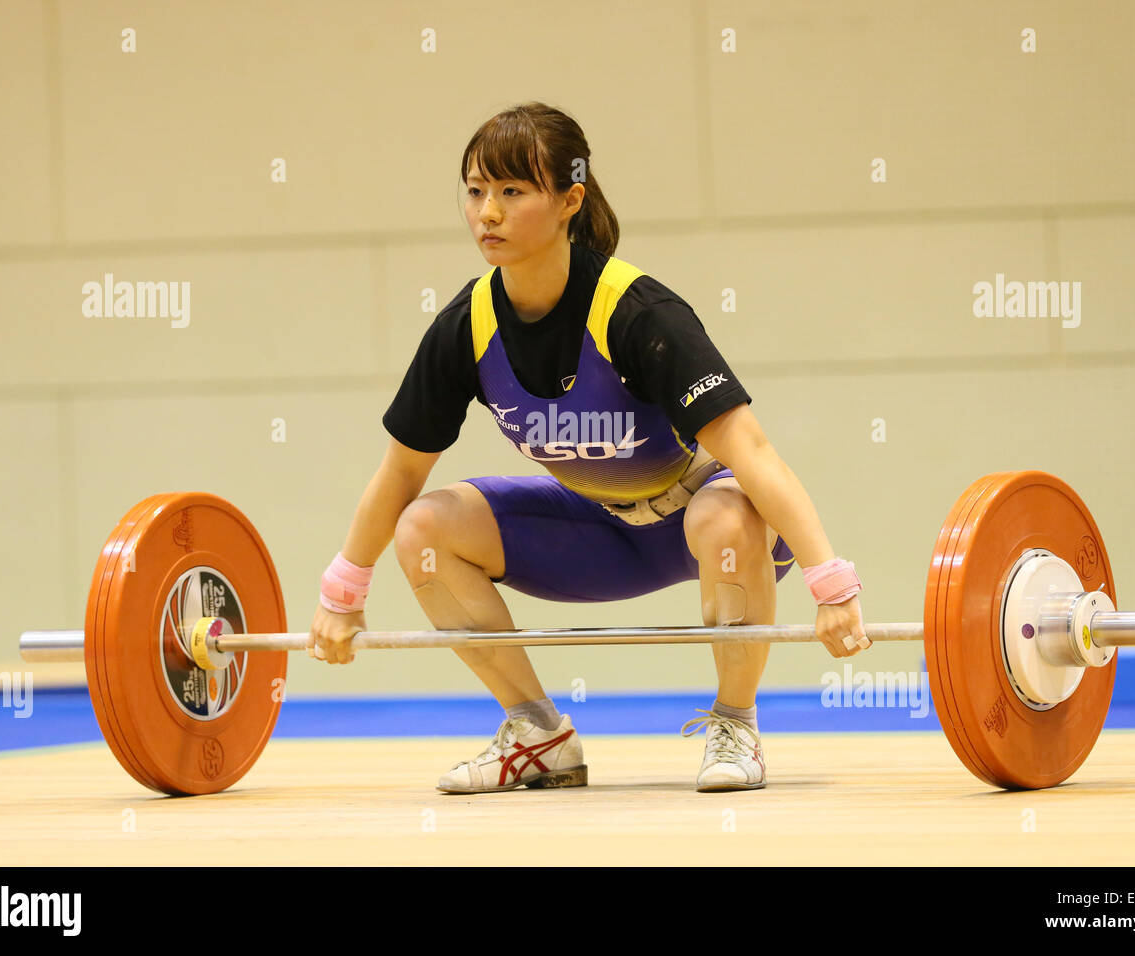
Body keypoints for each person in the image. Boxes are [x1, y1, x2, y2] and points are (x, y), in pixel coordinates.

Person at [309, 102, 870, 794]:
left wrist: (832, 583)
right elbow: (401, 472)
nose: (487, 212)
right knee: (424, 527)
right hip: (598, 530)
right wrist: (343, 591)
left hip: (710, 523)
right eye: (476, 190)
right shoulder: (467, 325)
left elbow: (752, 450)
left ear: (570, 200)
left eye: (512, 192)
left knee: (723, 515)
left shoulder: (637, 314)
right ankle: (538, 736)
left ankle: (735, 725)